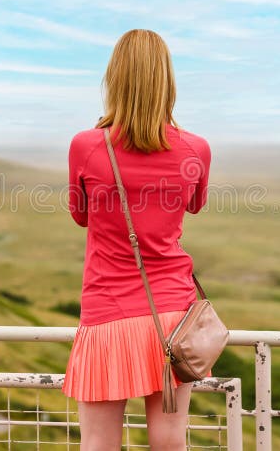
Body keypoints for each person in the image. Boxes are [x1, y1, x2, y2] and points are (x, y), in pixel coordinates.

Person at [62, 29, 211, 450]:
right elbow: (195, 204)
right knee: (169, 442)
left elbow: (81, 215)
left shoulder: (86, 146)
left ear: (114, 79)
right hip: (172, 315)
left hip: (107, 312)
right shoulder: (196, 149)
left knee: (98, 443)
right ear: (168, 82)